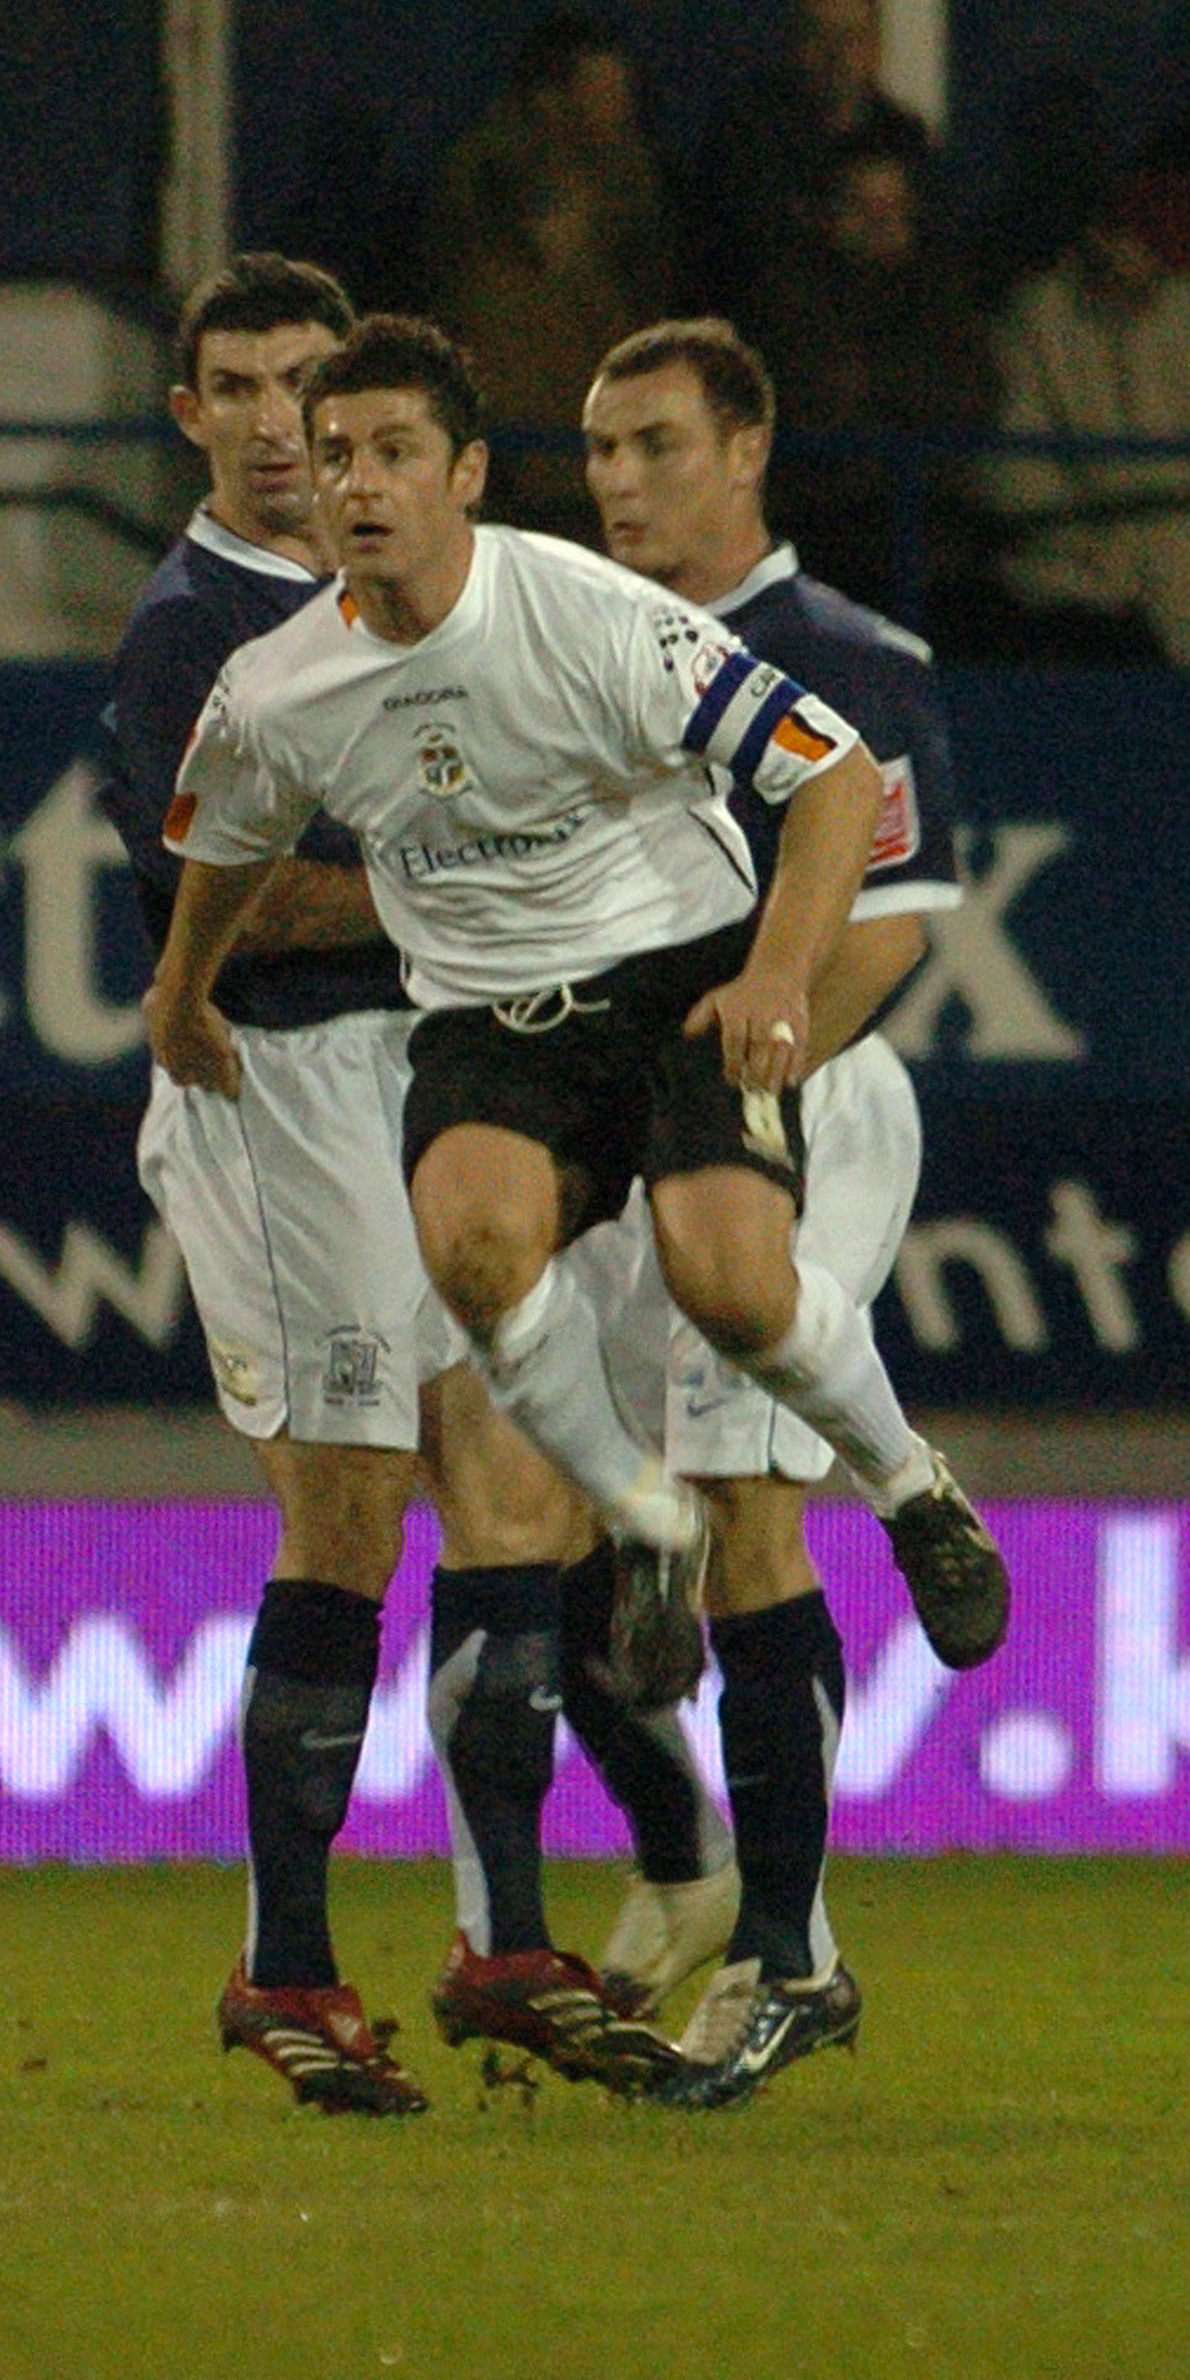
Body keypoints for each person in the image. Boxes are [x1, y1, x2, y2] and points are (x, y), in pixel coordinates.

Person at [145, 317, 1008, 1901]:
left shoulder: (593, 614)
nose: (355, 483)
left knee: (733, 1289)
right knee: (473, 1260)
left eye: (393, 451)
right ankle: (637, 1527)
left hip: (670, 977)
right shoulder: (278, 681)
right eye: (334, 457)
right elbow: (223, 833)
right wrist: (178, 987)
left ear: (465, 476)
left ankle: (909, 1487)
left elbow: (826, 782)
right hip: (488, 1018)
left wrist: (771, 985)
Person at [96, 254, 681, 2117]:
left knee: (512, 1494)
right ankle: (280, 1968)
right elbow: (244, 901)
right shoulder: (199, 632)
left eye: (317, 398)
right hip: (275, 1082)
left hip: (427, 1077)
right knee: (350, 1511)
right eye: (247, 394)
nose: (286, 430)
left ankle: (501, 1941)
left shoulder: (437, 602)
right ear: (191, 418)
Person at [572, 314, 978, 2103]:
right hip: (627, 1124)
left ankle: (784, 1952)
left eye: (656, 444)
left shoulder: (846, 662)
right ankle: (706, 1884)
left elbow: (893, 920)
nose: (622, 483)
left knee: (744, 1507)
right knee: (598, 1525)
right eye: (597, 452)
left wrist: (768, 1042)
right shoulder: (570, 647)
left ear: (746, 448)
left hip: (795, 1104)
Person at [421, 12, 679, 543]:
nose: (619, 108)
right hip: (520, 461)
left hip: (595, 454)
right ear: (551, 97)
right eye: (601, 91)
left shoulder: (634, 188)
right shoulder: (489, 185)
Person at [738, 141, 995, 632]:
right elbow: (805, 397)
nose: (881, 221)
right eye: (862, 205)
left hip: (931, 539)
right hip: (818, 535)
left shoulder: (942, 294)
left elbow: (968, 395)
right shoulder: (788, 295)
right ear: (828, 212)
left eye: (893, 206)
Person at [981, 170, 1190, 667]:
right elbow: (1016, 471)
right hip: (1078, 562)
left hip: (1175, 551)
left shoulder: (1181, 313)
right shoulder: (1040, 316)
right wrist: (1079, 552)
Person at [688, 0, 939, 323]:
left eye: (850, 37)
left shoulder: (905, 142)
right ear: (794, 44)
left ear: (875, 46)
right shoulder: (749, 141)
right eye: (819, 35)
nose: (836, 54)